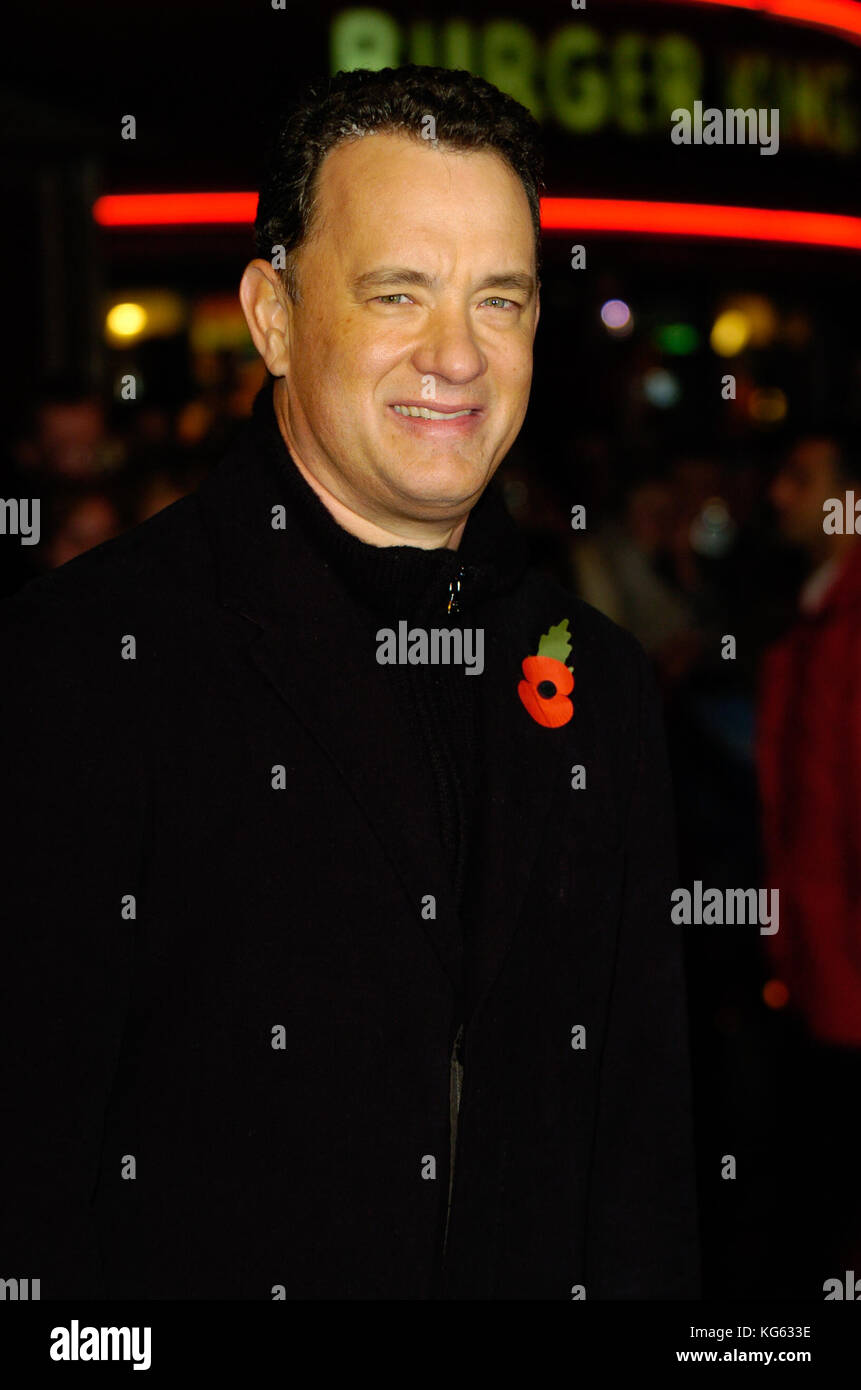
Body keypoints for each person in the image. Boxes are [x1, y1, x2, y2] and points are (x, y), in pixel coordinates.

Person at [0, 65, 699, 1300]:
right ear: (273, 315)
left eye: (499, 299)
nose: (457, 355)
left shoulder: (602, 683)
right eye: (398, 293)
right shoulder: (86, 662)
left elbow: (637, 1156)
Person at [757, 432, 861, 1276]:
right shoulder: (816, 614)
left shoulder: (843, 624)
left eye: (802, 479)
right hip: (819, 970)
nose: (779, 494)